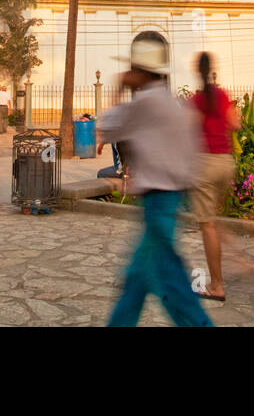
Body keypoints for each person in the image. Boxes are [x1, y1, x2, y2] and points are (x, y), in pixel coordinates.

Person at [96, 37, 212, 327]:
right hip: (166, 198)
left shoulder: (147, 102)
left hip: (159, 202)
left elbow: (107, 125)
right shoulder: (170, 102)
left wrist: (118, 88)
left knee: (172, 285)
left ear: (141, 72)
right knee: (136, 281)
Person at [189, 52, 241, 302]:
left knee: (207, 224)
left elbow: (191, 130)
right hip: (226, 162)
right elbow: (235, 124)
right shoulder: (222, 95)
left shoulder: (197, 99)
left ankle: (216, 285)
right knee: (214, 218)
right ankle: (231, 251)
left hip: (205, 163)